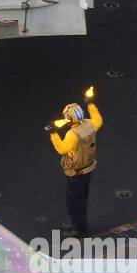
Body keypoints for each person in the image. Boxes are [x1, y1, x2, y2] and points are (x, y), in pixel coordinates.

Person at [47, 86, 103, 236]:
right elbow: (99, 120)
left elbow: (62, 149)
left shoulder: (72, 134)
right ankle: (77, 223)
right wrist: (90, 103)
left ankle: (80, 229)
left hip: (76, 173)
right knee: (82, 198)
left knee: (73, 201)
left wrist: (53, 133)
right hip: (88, 169)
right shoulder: (90, 124)